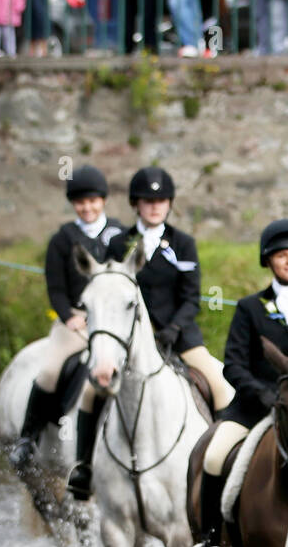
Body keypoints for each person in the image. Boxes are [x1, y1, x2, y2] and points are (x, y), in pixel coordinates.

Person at [183, 218, 288, 547]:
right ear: (269, 261)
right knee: (214, 455)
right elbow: (234, 365)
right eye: (282, 256)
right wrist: (267, 396)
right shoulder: (250, 308)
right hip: (256, 407)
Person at [66, 166, 228, 499]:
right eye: (147, 201)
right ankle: (83, 468)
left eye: (161, 200)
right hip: (126, 340)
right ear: (136, 204)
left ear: (169, 204)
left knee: (221, 386)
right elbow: (106, 291)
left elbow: (191, 296)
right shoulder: (118, 243)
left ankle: (225, 467)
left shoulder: (183, 244)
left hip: (178, 336)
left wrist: (174, 328)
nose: (155, 206)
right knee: (90, 391)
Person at [11, 167, 126, 471]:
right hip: (76, 321)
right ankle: (28, 438)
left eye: (92, 201)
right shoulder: (62, 240)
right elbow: (56, 288)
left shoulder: (119, 235)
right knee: (49, 370)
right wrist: (68, 318)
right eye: (80, 203)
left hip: (113, 321)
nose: (87, 208)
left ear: (102, 201)